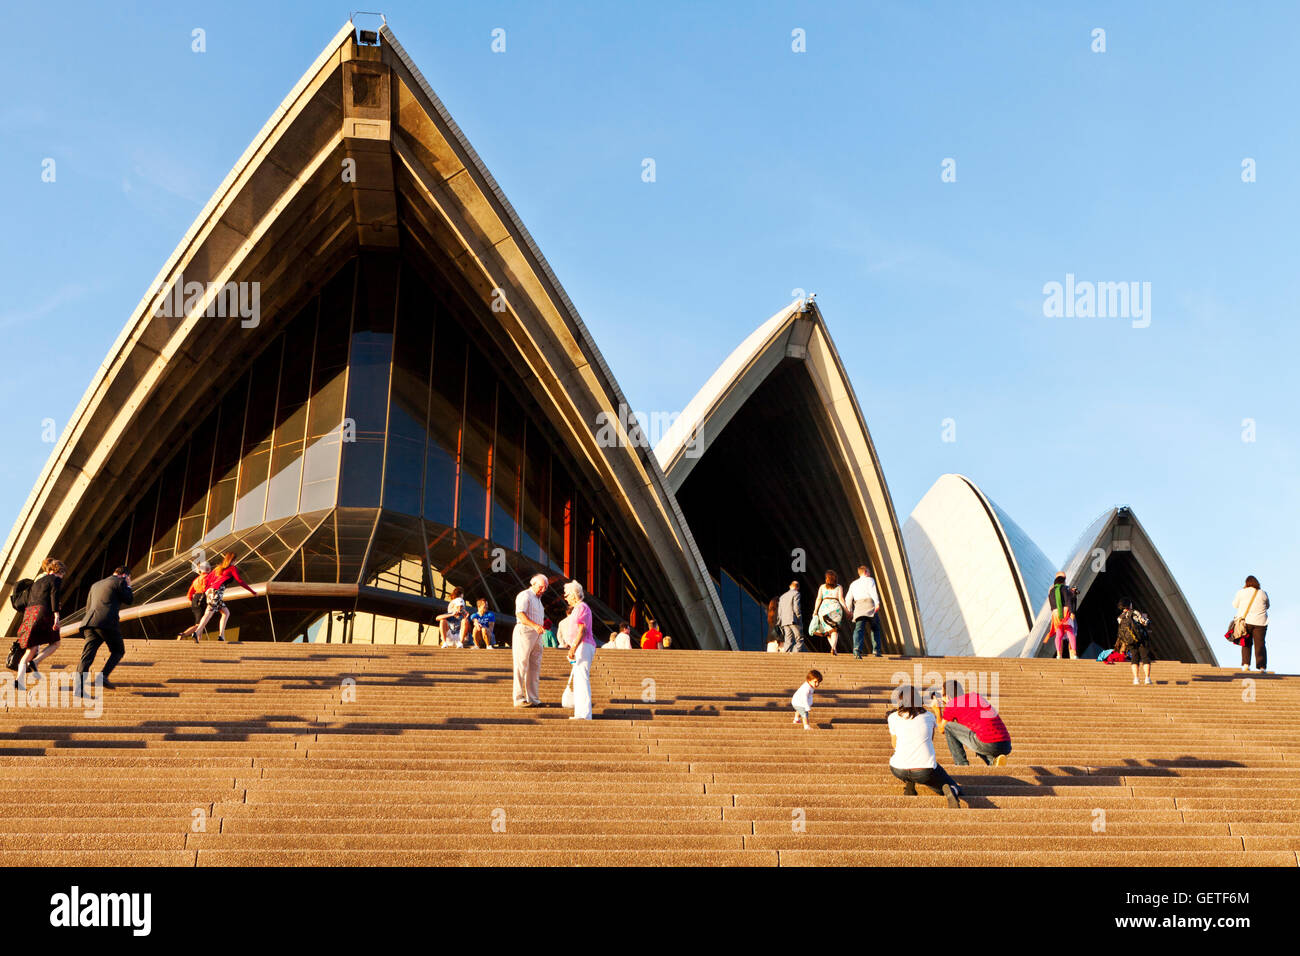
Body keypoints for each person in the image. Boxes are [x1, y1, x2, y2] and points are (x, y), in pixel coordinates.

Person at [888, 683, 962, 807]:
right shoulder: (929, 716)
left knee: (906, 759)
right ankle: (951, 791)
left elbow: (895, 744)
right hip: (924, 770)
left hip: (898, 768)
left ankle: (910, 783)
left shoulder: (892, 717)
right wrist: (938, 711)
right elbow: (930, 739)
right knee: (951, 785)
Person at [75, 566, 134, 695]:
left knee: (87, 656)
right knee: (118, 650)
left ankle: (78, 688)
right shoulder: (120, 581)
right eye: (129, 577)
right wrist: (128, 585)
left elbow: (89, 606)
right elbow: (129, 599)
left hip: (90, 622)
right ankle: (102, 677)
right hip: (107, 622)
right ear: (125, 575)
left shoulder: (96, 584)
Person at [14, 558, 66, 691]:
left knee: (30, 649)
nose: (62, 577)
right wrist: (56, 616)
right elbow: (54, 598)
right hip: (43, 614)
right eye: (62, 574)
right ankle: (36, 661)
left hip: (30, 614)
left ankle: (19, 680)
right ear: (59, 571)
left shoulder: (36, 582)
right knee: (55, 643)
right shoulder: (56, 579)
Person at [931, 679, 1011, 767]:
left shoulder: (952, 704)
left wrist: (937, 710)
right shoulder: (976, 697)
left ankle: (961, 764)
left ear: (948, 696)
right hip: (1006, 743)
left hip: (987, 743)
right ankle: (994, 762)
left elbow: (942, 729)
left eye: (943, 695)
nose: (942, 699)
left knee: (948, 727)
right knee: (978, 732)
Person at [180, 552, 255, 642]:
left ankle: (221, 636)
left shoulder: (218, 568)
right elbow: (240, 581)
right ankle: (197, 632)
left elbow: (208, 579)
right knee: (209, 613)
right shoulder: (232, 568)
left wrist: (208, 590)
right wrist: (252, 591)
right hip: (216, 592)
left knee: (226, 612)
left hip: (211, 592)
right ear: (234, 560)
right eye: (235, 560)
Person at [562, 580, 596, 719]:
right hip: (582, 645)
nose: (565, 597)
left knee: (581, 679)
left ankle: (584, 714)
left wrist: (573, 648)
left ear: (574, 594)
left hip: (583, 645)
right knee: (579, 679)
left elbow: (582, 630)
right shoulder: (580, 608)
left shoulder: (581, 607)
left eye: (567, 594)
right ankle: (581, 713)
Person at [512, 574, 547, 707]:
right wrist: (535, 625)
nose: (543, 590)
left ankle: (533, 698)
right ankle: (518, 697)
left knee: (535, 666)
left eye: (545, 588)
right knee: (521, 664)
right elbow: (520, 614)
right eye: (541, 587)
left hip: (537, 634)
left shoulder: (538, 599)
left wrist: (539, 627)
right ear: (533, 584)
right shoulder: (525, 595)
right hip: (525, 631)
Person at [1232, 576, 1270, 672]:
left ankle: (1246, 665)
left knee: (1246, 643)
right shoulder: (1262, 593)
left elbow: (1235, 605)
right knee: (1260, 644)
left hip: (1246, 622)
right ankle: (1262, 667)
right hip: (1260, 622)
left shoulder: (1241, 592)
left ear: (1246, 583)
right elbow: (1267, 605)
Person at [845, 564, 883, 658]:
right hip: (870, 605)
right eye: (869, 572)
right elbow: (873, 592)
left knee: (859, 629)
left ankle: (856, 651)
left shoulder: (853, 584)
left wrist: (849, 610)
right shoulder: (870, 580)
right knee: (875, 628)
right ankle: (876, 651)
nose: (870, 574)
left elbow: (848, 598)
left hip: (859, 607)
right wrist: (877, 603)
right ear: (865, 572)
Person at [1115, 597, 1154, 685]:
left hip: (1130, 641)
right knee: (1145, 658)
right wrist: (1147, 621)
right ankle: (1147, 678)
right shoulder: (1134, 612)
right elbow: (1143, 621)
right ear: (1129, 604)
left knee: (1134, 659)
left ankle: (1136, 679)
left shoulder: (1120, 617)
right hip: (1141, 639)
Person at [1042, 572, 1079, 659]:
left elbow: (1051, 604)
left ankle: (1059, 655)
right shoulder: (1064, 588)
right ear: (1062, 581)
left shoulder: (1051, 590)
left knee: (1059, 633)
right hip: (1065, 612)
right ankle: (1073, 654)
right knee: (1070, 632)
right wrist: (1072, 611)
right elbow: (1068, 600)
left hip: (1055, 614)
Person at [811, 570, 846, 655]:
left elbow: (819, 599)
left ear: (827, 578)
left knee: (828, 630)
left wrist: (815, 611)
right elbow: (841, 599)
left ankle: (834, 648)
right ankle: (833, 648)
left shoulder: (822, 587)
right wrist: (847, 610)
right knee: (834, 629)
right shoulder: (839, 587)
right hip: (835, 608)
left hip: (824, 609)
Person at [179, 560, 210, 640]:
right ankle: (184, 634)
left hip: (195, 599)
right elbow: (204, 589)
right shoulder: (207, 577)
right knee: (199, 624)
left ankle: (198, 640)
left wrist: (193, 602)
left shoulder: (196, 580)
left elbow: (189, 594)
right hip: (202, 599)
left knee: (199, 622)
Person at [777, 581, 804, 653]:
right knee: (799, 638)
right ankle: (795, 654)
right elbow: (796, 607)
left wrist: (780, 621)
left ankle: (786, 654)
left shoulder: (782, 596)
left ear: (790, 586)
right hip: (793, 620)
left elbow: (779, 611)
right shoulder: (796, 593)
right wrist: (799, 618)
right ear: (797, 587)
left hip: (785, 621)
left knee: (788, 640)